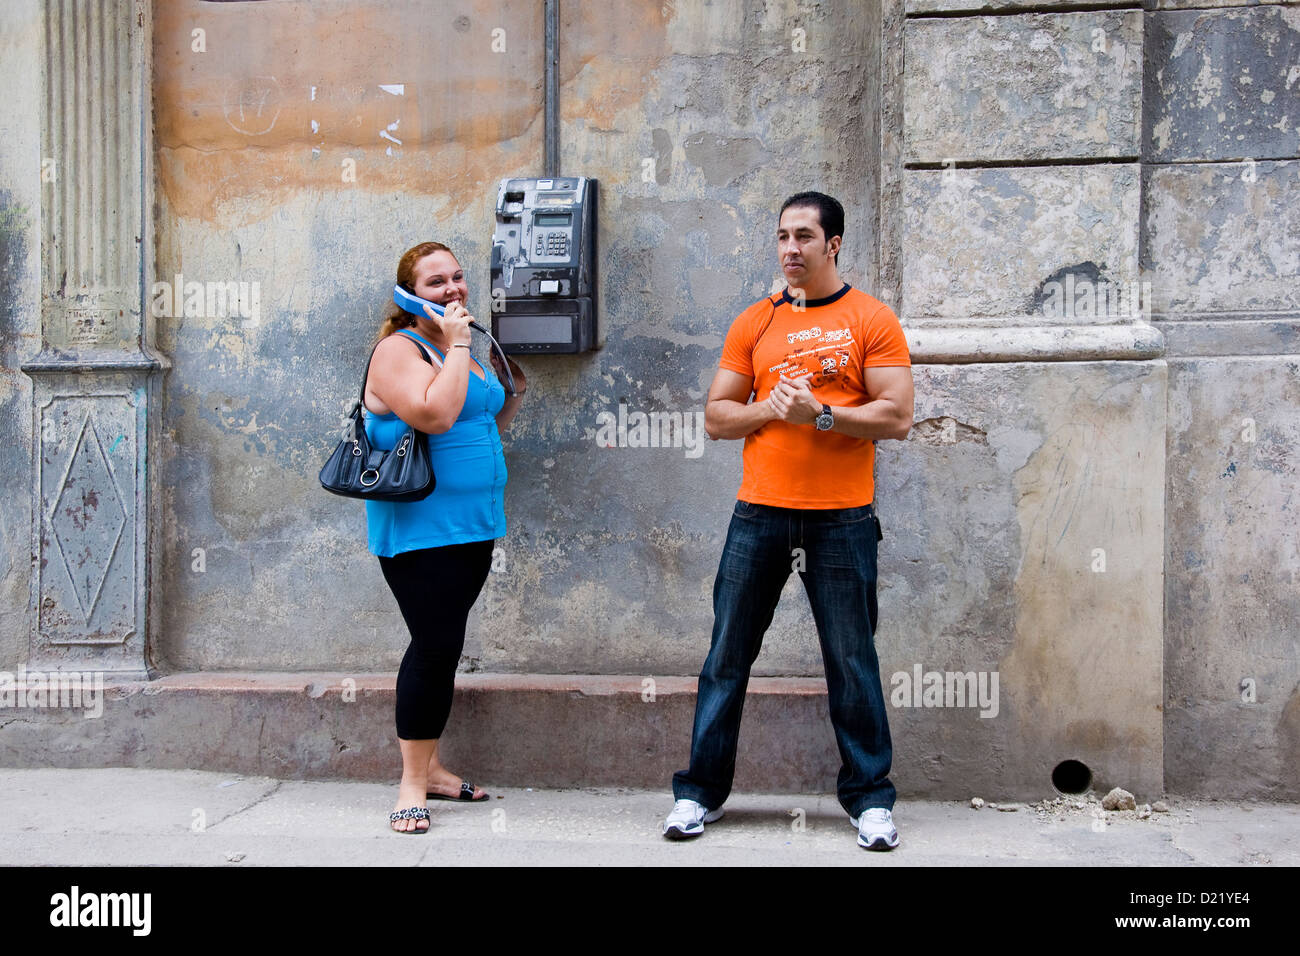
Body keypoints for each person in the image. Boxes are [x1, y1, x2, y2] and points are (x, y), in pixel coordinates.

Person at [663, 192, 914, 849]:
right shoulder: (755, 322)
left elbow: (897, 416)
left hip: (842, 521)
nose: (789, 249)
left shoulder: (871, 318)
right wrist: (771, 410)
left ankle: (870, 801)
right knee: (726, 658)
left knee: (852, 662)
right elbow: (718, 417)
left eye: (804, 236)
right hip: (760, 516)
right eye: (781, 236)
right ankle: (699, 795)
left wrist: (824, 416)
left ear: (834, 244)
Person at [363, 241, 526, 833]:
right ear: (409, 295)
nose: (454, 290)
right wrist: (459, 347)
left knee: (445, 645)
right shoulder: (398, 350)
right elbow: (433, 415)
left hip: (474, 523)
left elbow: (479, 419)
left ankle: (430, 766)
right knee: (432, 646)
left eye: (458, 278)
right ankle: (412, 780)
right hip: (420, 526)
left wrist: (512, 395)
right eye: (437, 282)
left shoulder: (462, 348)